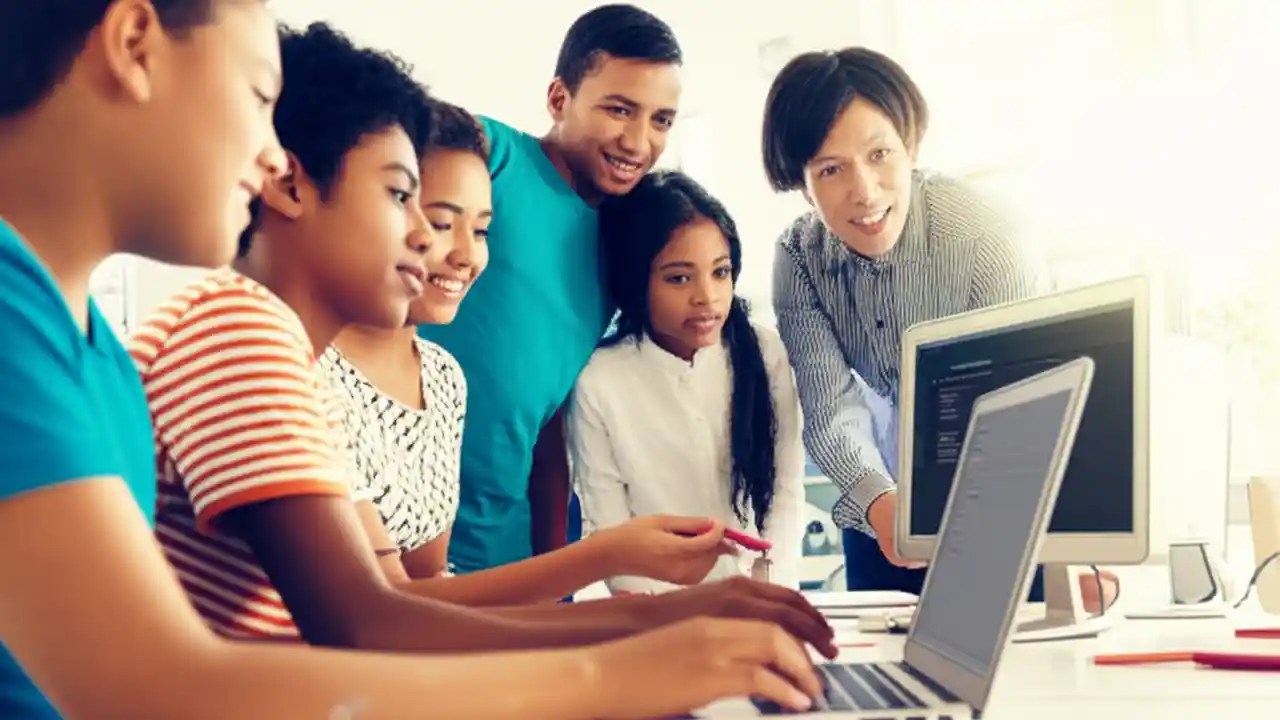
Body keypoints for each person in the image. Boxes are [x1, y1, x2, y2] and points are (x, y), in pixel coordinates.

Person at [0, 2, 822, 718]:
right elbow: (228, 666)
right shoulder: (220, 321)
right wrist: (627, 661)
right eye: (258, 99)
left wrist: (661, 628)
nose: (433, 243)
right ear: (135, 43)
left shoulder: (95, 346)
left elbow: (364, 618)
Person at [323, 101, 771, 605]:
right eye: (442, 223)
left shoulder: (442, 378)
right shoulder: (306, 378)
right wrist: (608, 557)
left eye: (481, 230)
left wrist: (661, 614)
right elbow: (383, 613)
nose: (466, 255)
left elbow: (430, 596)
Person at [762, 47, 1044, 593]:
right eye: (830, 169)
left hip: (1007, 494)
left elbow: (1026, 394)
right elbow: (830, 404)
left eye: (880, 154)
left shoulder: (988, 235)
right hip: (884, 501)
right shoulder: (798, 259)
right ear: (802, 183)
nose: (864, 191)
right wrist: (880, 503)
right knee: (881, 665)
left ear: (911, 146)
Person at [417, 4, 684, 574]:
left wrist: (553, 575)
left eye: (661, 120)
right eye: (620, 110)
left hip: (507, 555)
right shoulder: (490, 154)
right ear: (559, 99)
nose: (639, 142)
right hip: (402, 541)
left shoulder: (619, 238)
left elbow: (548, 422)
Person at [569, 170, 806, 595]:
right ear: (635, 282)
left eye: (720, 272)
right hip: (652, 616)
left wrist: (773, 595)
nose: (707, 297)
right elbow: (609, 527)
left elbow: (786, 492)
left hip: (756, 601)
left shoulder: (766, 354)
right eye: (679, 278)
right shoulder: (599, 379)